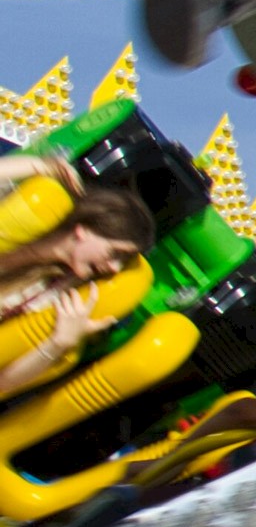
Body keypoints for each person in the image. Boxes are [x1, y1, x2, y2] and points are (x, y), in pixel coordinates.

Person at [0, 161, 153, 402]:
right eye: (115, 253)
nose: (114, 267)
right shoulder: (16, 207)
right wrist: (38, 165)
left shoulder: (53, 294)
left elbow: (4, 382)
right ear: (83, 230)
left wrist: (59, 343)